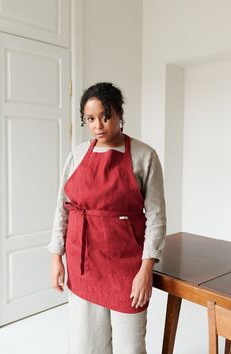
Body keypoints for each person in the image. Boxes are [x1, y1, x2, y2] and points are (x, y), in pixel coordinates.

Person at [47, 82, 166, 354]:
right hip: (82, 264)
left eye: (105, 115)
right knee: (86, 347)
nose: (98, 125)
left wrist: (146, 269)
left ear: (119, 113)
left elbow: (157, 218)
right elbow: (62, 207)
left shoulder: (144, 156)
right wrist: (56, 257)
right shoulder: (77, 154)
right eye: (90, 119)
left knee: (130, 348)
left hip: (127, 267)